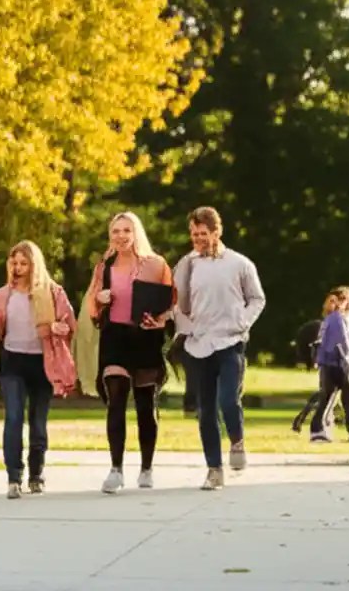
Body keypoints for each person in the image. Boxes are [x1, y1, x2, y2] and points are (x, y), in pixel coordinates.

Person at [173, 206, 266, 490]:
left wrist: (243, 322)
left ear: (217, 232)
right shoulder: (187, 264)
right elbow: (177, 303)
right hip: (199, 344)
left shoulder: (240, 264)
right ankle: (214, 469)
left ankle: (237, 441)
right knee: (205, 412)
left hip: (230, 342)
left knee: (228, 400)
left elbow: (257, 299)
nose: (198, 239)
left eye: (203, 234)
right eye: (193, 234)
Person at [0, 241, 78, 499]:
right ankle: (14, 476)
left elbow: (70, 324)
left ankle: (36, 474)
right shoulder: (5, 294)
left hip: (41, 363)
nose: (19, 269)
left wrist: (59, 327)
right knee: (13, 417)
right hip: (12, 361)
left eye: (24, 264)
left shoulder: (52, 292)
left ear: (35, 265)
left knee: (37, 421)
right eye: (15, 263)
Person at [84, 212, 174, 494]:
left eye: (126, 230)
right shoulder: (104, 266)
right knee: (117, 399)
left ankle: (146, 468)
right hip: (115, 338)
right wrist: (99, 299)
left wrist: (159, 320)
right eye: (115, 231)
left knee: (146, 405)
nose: (120, 236)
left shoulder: (157, 265)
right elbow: (91, 306)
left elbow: (172, 303)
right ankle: (116, 469)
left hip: (145, 339)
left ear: (136, 233)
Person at [308, 286, 349, 443]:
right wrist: (347, 361)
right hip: (340, 363)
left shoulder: (333, 319)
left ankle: (317, 430)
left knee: (327, 397)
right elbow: (342, 343)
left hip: (330, 363)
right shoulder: (339, 319)